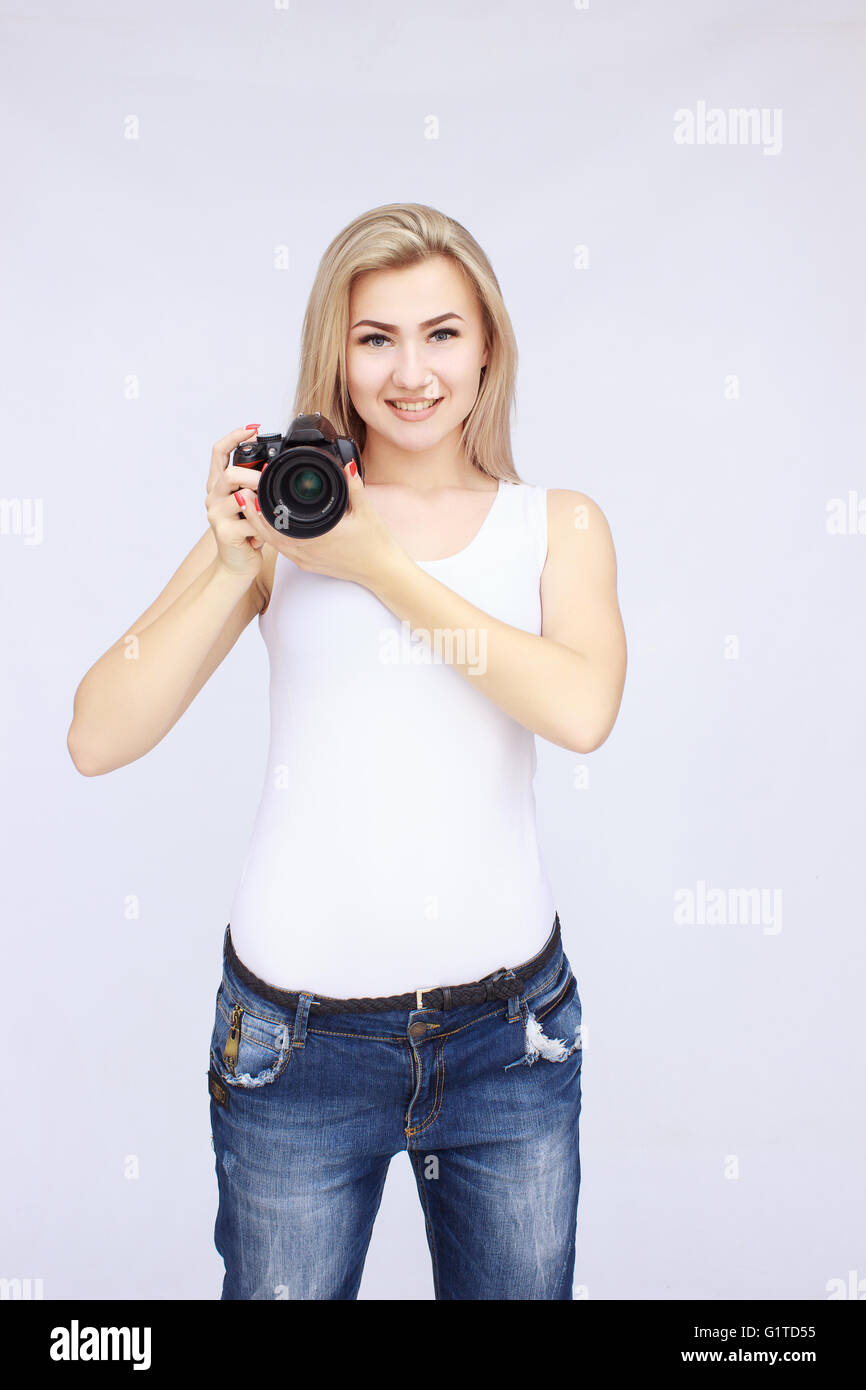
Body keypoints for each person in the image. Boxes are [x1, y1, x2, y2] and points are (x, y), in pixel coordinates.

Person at [67, 202, 627, 1300]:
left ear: (486, 349)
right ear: (337, 353)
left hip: (509, 1042)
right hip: (293, 1047)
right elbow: (97, 735)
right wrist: (234, 561)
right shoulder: (283, 522)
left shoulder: (556, 525)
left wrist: (373, 562)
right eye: (375, 338)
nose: (409, 371)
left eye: (440, 334)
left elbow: (579, 710)